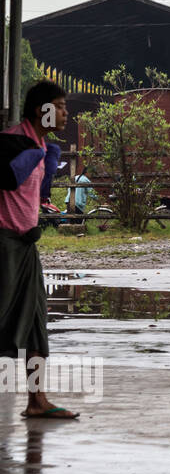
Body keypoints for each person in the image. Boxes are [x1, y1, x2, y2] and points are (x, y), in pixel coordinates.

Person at [0, 80, 78, 419]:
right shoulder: (11, 143)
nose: (65, 112)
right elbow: (6, 178)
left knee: (36, 324)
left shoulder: (43, 149)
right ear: (41, 109)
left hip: (27, 244)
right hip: (3, 246)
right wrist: (31, 156)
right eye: (59, 106)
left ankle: (36, 400)